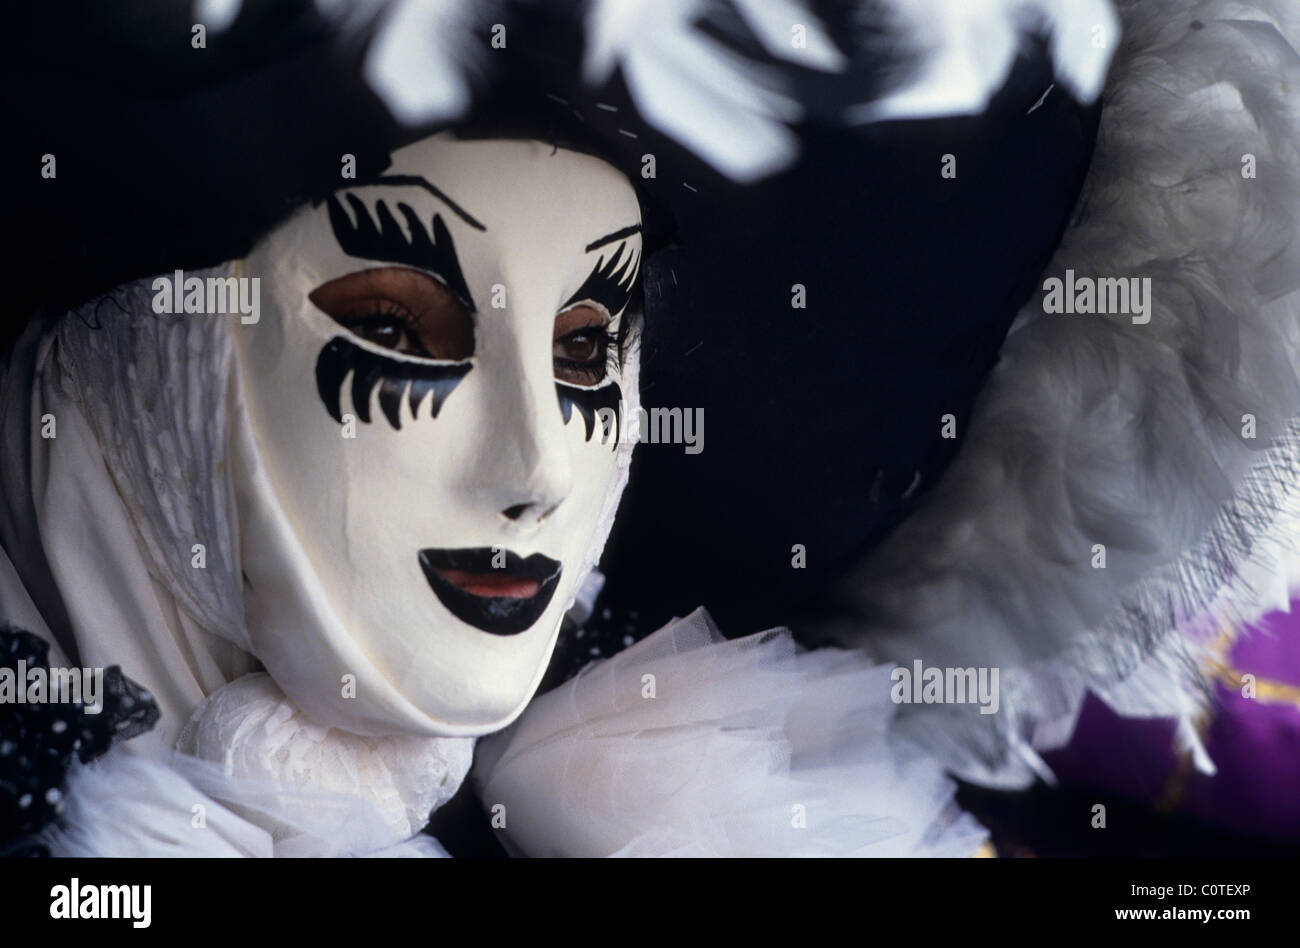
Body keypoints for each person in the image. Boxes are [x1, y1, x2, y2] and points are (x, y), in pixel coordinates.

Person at [0, 131, 985, 857]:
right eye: (396, 326)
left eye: (585, 349)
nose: (538, 473)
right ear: (156, 365)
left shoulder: (641, 773)